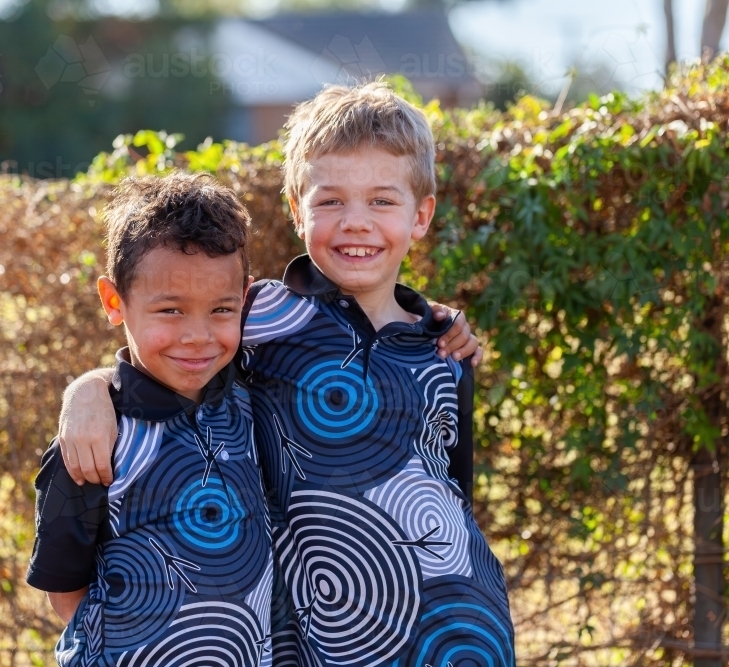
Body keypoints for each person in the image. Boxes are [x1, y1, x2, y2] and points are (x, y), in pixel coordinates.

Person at [60, 82, 514, 666]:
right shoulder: (265, 316)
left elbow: (454, 489)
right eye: (330, 201)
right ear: (298, 211)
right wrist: (90, 389)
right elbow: (174, 350)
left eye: (382, 201)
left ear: (420, 216)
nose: (356, 223)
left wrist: (448, 325)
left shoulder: (443, 345)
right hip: (328, 635)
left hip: (463, 628)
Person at [26, 173, 273, 666]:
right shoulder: (95, 440)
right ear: (115, 302)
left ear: (243, 299)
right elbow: (65, 590)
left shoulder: (255, 403)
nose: (198, 336)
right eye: (171, 311)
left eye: (221, 309)